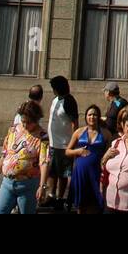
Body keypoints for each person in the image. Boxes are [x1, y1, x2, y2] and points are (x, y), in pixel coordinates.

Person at [0, 99, 50, 214]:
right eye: (23, 121)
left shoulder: (42, 136)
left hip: (28, 185)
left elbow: (44, 162)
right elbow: (5, 155)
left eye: (29, 122)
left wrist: (42, 186)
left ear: (36, 120)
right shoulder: (13, 130)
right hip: (8, 183)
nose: (25, 125)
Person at [65, 104, 111, 214]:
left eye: (95, 115)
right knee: (81, 205)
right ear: (86, 117)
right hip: (80, 173)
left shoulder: (106, 133)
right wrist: (78, 151)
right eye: (90, 115)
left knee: (95, 204)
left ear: (99, 117)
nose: (92, 117)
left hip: (96, 173)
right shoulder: (79, 132)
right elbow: (67, 151)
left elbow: (109, 153)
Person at [46, 75, 78, 210]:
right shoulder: (55, 100)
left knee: (62, 173)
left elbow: (74, 123)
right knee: (51, 172)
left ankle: (60, 197)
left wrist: (73, 142)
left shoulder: (69, 101)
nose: (52, 90)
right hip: (53, 143)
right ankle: (51, 195)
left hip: (64, 144)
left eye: (54, 88)